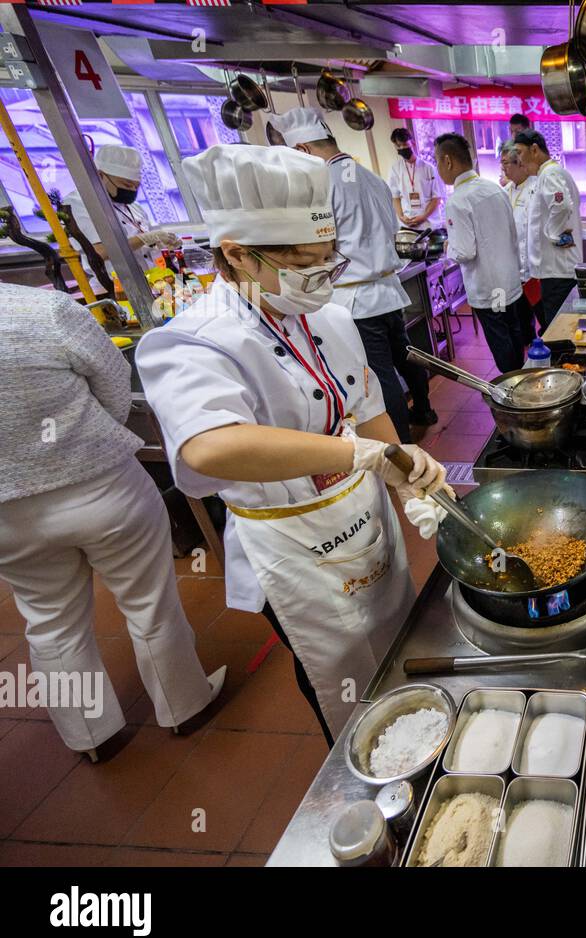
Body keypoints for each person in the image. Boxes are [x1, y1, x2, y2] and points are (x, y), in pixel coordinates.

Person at [136, 144, 449, 743]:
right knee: (340, 671)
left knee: (399, 638)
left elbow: (367, 411)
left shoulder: (329, 319)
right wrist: (356, 454)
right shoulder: (196, 341)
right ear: (237, 256)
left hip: (364, 514)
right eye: (305, 263)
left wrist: (407, 469)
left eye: (329, 260)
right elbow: (208, 449)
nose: (322, 277)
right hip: (291, 538)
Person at [0, 283, 223, 758]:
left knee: (49, 622)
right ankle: (184, 708)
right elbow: (114, 382)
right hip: (101, 486)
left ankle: (92, 737)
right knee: (149, 603)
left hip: (6, 516)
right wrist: (93, 434)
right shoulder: (45, 309)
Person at [271, 108, 435, 442]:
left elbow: (320, 245)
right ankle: (424, 409)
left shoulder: (321, 186)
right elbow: (391, 227)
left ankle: (400, 442)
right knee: (405, 356)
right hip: (387, 291)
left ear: (302, 151)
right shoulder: (371, 177)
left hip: (356, 299)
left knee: (378, 374)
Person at [437, 132, 533, 373]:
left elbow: (465, 252)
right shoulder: (495, 189)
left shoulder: (458, 200)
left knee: (501, 342)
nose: (438, 168)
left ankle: (512, 391)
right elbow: (512, 233)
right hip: (508, 282)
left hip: (488, 289)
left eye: (438, 161)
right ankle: (519, 381)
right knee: (513, 335)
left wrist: (449, 248)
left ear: (448, 161)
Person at [65, 144, 179, 275]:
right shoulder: (79, 203)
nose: (131, 191)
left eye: (136, 187)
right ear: (100, 176)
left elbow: (151, 244)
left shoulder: (134, 207)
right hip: (114, 283)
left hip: (152, 278)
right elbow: (98, 252)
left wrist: (166, 243)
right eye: (126, 184)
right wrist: (144, 239)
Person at [514, 129, 581, 328]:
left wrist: (551, 235)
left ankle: (563, 359)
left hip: (556, 271)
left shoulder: (550, 173)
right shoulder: (545, 174)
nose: (519, 160)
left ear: (534, 149)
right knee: (557, 326)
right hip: (552, 270)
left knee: (558, 330)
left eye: (520, 152)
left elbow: (561, 206)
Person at [500, 139, 545, 331]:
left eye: (505, 163)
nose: (502, 169)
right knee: (521, 325)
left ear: (519, 163)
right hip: (513, 271)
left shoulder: (536, 187)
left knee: (545, 320)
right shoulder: (504, 192)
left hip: (535, 272)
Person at [388, 127, 443, 229]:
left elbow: (437, 198)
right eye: (398, 146)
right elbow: (395, 197)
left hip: (429, 224)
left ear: (412, 143)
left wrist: (423, 217)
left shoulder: (429, 168)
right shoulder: (395, 169)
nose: (402, 148)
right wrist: (401, 217)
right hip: (407, 225)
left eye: (405, 144)